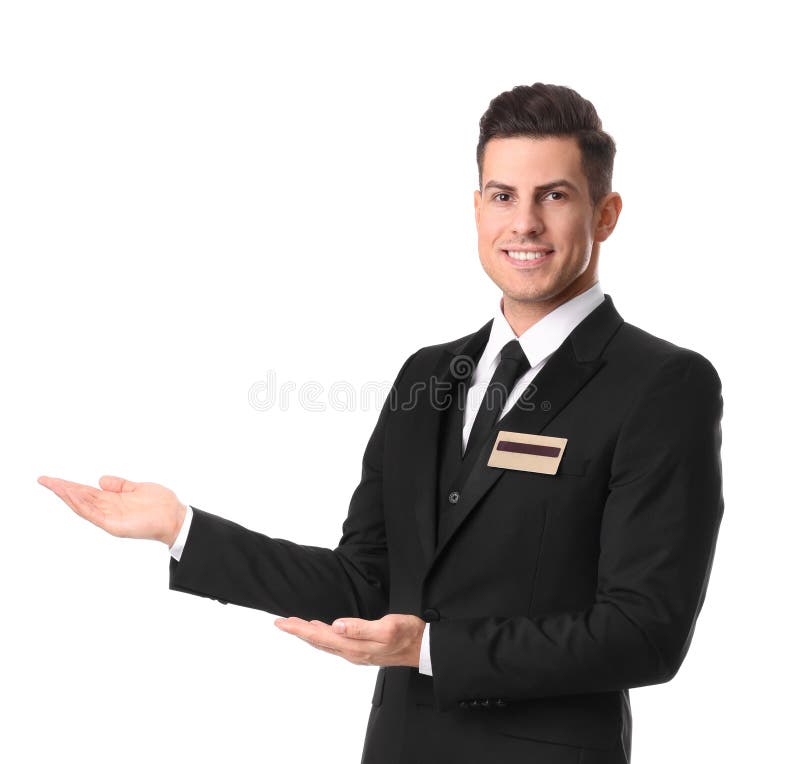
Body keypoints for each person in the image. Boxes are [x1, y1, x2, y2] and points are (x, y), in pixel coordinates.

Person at [38, 83, 724, 764]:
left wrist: (427, 649)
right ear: (477, 208)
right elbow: (365, 583)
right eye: (502, 196)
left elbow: (645, 633)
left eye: (555, 195)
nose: (524, 225)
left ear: (605, 214)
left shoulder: (661, 385)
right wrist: (182, 528)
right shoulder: (427, 377)